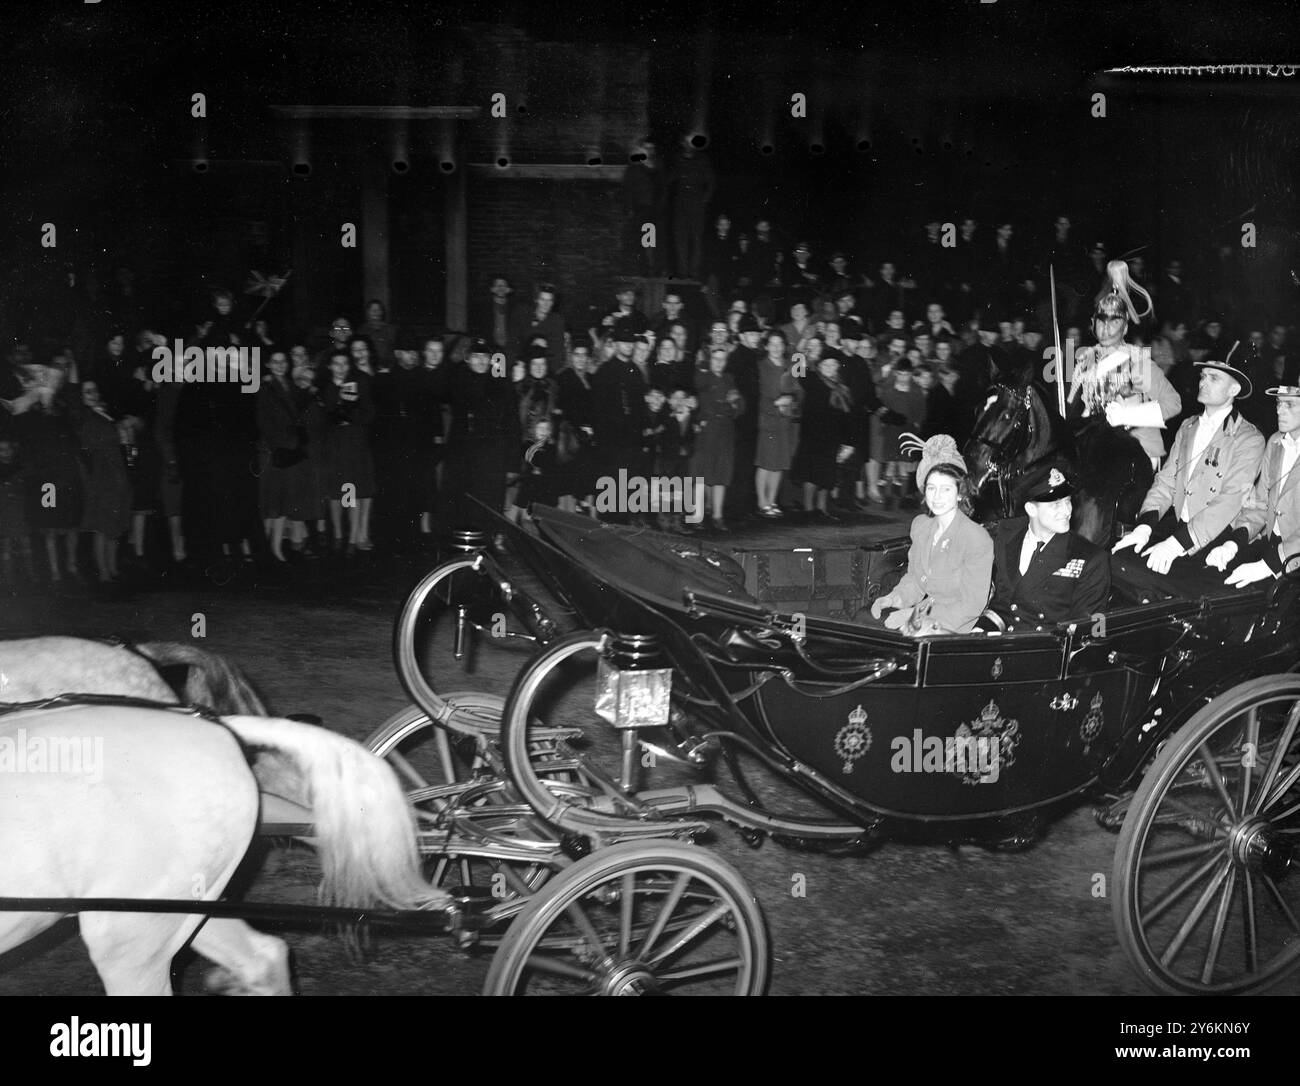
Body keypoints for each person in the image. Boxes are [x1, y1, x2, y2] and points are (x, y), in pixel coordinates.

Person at [1111, 349, 1265, 601]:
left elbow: (1230, 500)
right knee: (1117, 561)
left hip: (1215, 537)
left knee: (1171, 590)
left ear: (1233, 390)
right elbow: (1166, 481)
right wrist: (1144, 527)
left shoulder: (1248, 438)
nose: (1203, 381)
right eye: (1203, 375)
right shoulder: (1188, 426)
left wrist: (1177, 544)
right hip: (1177, 526)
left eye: (1214, 378)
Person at [869, 434, 994, 635]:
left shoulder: (975, 538)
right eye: (931, 488)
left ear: (960, 492)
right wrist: (895, 598)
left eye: (945, 489)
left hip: (954, 625)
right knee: (865, 622)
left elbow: (971, 605)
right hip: (922, 616)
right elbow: (916, 581)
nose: (937, 497)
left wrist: (916, 618)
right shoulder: (921, 526)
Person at [1067, 260, 1182, 470]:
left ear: (1126, 327)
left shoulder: (1138, 362)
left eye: (1114, 322)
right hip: (1097, 448)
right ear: (1093, 324)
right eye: (1101, 321)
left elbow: (1173, 403)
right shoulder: (1085, 362)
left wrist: (1127, 415)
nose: (1106, 328)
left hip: (1138, 451)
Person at [990, 461, 1110, 630]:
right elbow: (1002, 604)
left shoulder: (1092, 559)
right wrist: (980, 630)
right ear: (1031, 509)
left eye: (1067, 501)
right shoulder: (1006, 538)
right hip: (1006, 643)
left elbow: (1093, 631)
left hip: (1051, 651)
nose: (1067, 511)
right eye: (1056, 505)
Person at [1202, 384, 1300, 588]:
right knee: (1214, 582)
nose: (1279, 411)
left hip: (1292, 556)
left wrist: (1268, 565)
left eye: (1289, 404)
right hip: (1270, 543)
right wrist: (1234, 543)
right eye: (1279, 403)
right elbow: (1259, 503)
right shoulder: (1275, 443)